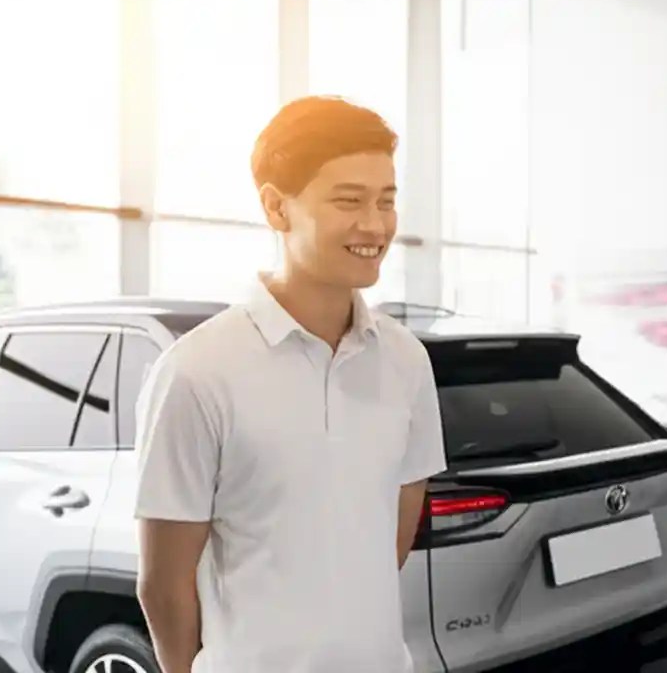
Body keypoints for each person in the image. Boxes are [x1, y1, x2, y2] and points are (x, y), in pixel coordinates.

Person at [132, 96, 447, 673]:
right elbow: (163, 585)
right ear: (277, 208)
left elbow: (388, 549)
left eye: (386, 200)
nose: (375, 225)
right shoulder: (197, 372)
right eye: (348, 200)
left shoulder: (407, 361)